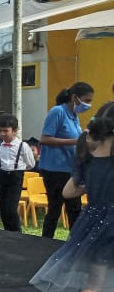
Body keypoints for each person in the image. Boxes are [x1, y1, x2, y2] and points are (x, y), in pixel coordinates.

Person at [30, 101, 113, 292]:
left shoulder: (87, 161)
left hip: (95, 223)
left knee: (94, 279)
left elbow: (68, 192)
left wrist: (90, 184)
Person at [37, 82, 94, 238]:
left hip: (71, 168)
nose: (88, 105)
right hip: (54, 169)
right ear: (75, 98)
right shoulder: (58, 112)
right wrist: (75, 141)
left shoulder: (74, 116)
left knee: (74, 208)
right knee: (55, 208)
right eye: (86, 100)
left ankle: (74, 242)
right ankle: (46, 241)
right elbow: (45, 138)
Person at [0, 113, 35, 232]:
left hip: (15, 177)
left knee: (11, 208)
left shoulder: (23, 146)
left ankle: (16, 232)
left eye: (6, 131)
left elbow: (30, 163)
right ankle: (7, 232)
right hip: (1, 176)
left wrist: (19, 169)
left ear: (14, 131)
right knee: (3, 208)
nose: (2, 134)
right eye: (0, 131)